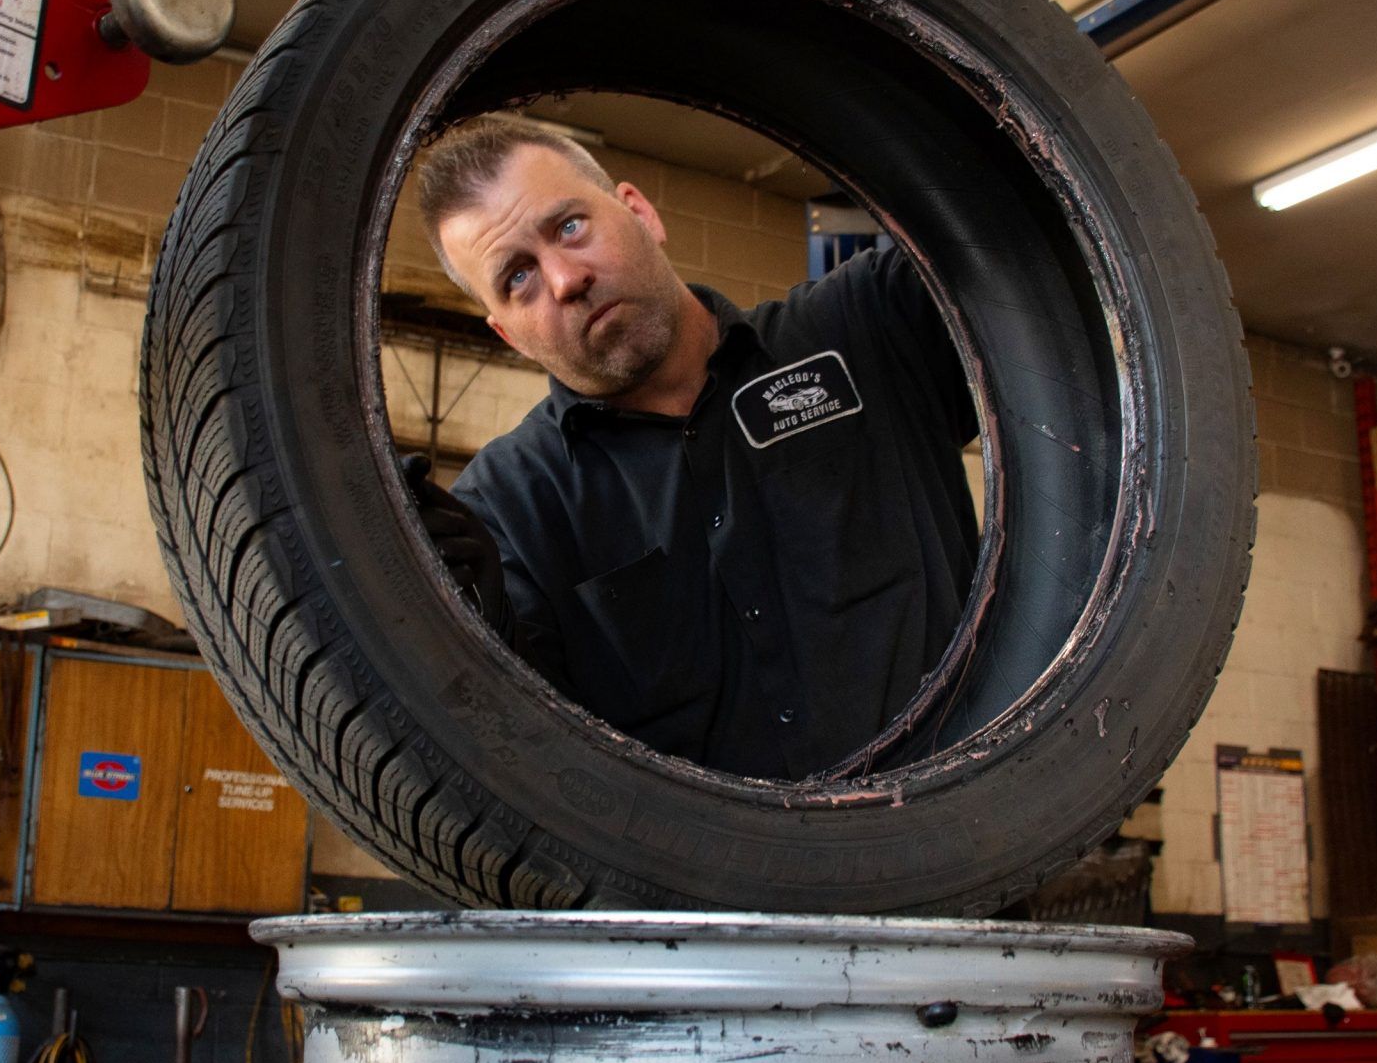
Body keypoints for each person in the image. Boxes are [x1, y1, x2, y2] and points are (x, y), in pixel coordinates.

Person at [404, 113, 979, 781]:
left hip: (968, 823)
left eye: (569, 227)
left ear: (639, 212)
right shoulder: (506, 510)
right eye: (517, 277)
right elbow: (525, 757)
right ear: (507, 334)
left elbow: (1014, 224)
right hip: (704, 855)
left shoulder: (868, 326)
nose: (564, 279)